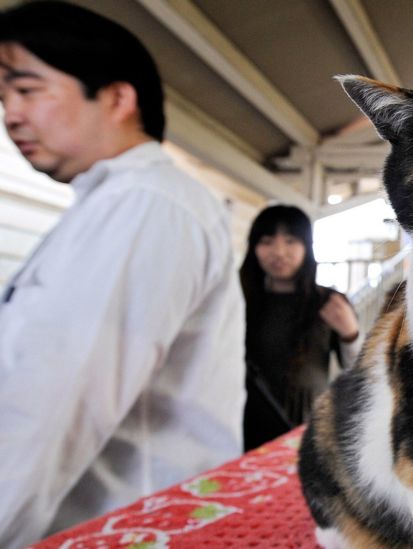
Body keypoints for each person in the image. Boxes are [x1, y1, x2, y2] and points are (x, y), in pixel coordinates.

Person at [0, 2, 245, 546]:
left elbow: (48, 411)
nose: (11, 114)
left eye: (27, 89)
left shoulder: (146, 204)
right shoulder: (114, 203)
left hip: (126, 528)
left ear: (116, 97)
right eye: (4, 97)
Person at [240, 205, 361, 451]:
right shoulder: (241, 299)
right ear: (254, 248)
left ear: (306, 246)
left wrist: (350, 333)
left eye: (290, 240)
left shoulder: (329, 302)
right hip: (243, 425)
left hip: (304, 433)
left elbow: (360, 373)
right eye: (267, 241)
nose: (279, 252)